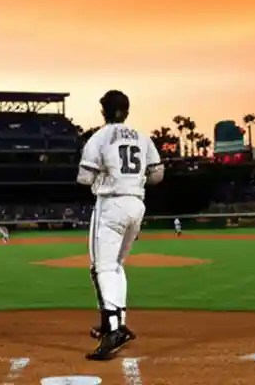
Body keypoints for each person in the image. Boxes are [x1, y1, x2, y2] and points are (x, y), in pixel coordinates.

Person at [79, 90, 163, 361]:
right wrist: (135, 181)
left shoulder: (100, 137)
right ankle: (117, 322)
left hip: (110, 205)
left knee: (101, 267)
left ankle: (113, 329)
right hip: (137, 205)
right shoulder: (143, 136)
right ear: (126, 110)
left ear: (104, 111)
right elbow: (157, 174)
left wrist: (103, 175)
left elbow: (83, 177)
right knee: (117, 265)